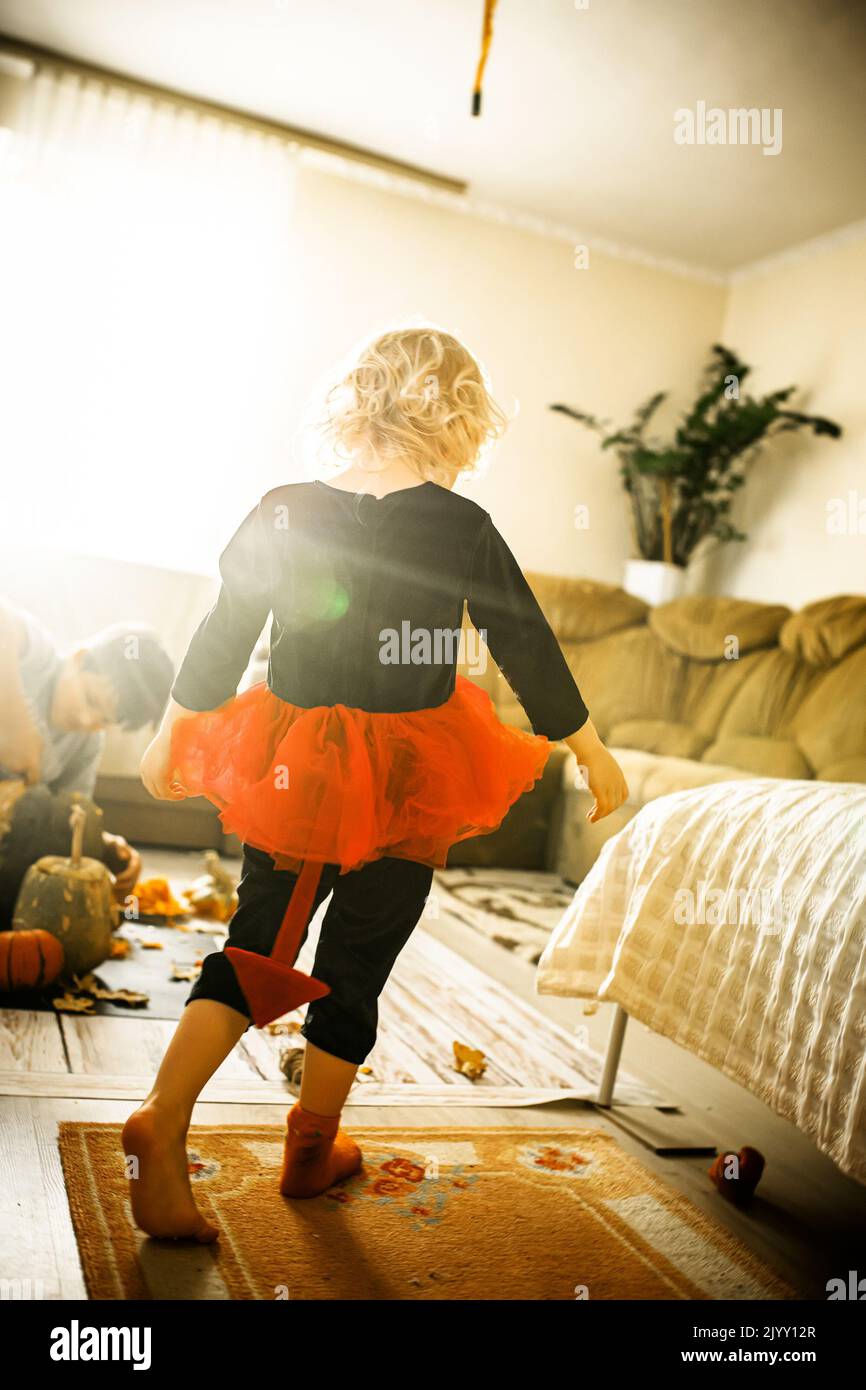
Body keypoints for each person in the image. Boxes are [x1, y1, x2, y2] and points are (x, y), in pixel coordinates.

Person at [128, 324, 628, 1241]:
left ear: (353, 400)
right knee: (359, 959)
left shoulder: (283, 506)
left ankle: (243, 1132)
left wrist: (173, 732)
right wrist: (587, 746)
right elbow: (525, 640)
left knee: (261, 944)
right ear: (460, 417)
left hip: (294, 765)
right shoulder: (461, 524)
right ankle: (227, 1134)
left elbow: (225, 626)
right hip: (411, 776)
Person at [0, 602, 174, 907]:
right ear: (78, 660)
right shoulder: (40, 658)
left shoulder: (86, 744)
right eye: (90, 699)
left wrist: (105, 845)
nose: (85, 719)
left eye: (103, 720)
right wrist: (12, 716)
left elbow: (68, 819)